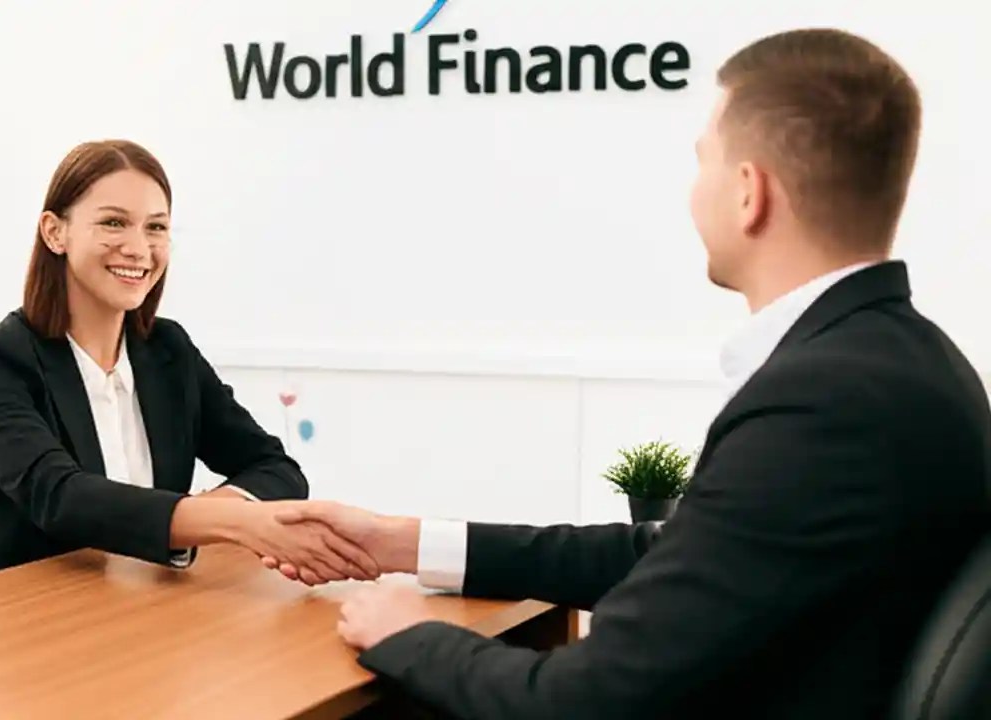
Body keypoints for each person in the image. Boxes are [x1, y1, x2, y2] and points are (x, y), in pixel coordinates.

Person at [271, 28, 991, 718]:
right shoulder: (904, 363)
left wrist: (408, 634)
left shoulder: (825, 402)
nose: (690, 190)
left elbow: (581, 703)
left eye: (702, 159)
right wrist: (403, 543)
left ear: (749, 192)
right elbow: (675, 558)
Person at [0, 139, 376, 582]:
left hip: (144, 602)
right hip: (22, 613)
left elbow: (275, 469)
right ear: (55, 232)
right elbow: (60, 497)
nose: (139, 249)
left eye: (155, 228)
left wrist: (215, 513)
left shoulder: (168, 350)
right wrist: (235, 522)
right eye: (114, 223)